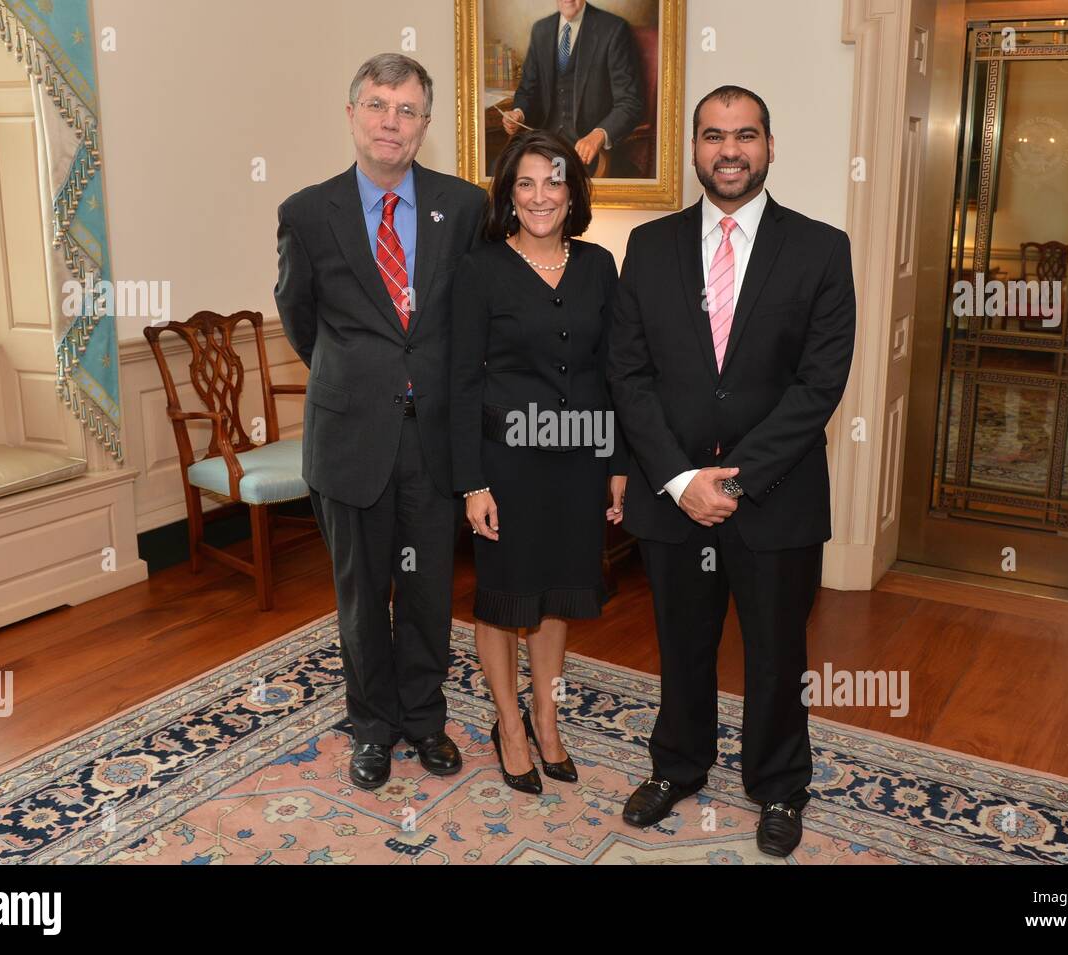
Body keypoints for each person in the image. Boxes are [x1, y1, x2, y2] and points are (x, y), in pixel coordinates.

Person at [606, 85, 856, 856]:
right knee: (681, 642)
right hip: (674, 497)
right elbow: (628, 373)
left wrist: (736, 479)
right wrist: (682, 480)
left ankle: (779, 785)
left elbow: (820, 384)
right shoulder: (649, 247)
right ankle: (677, 764)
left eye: (745, 134)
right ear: (694, 148)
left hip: (775, 498)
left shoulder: (820, 247)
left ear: (770, 147)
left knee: (777, 653)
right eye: (713, 135)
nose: (730, 150)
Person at [273, 53, 486, 791]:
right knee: (362, 596)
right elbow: (302, 321)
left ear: (426, 125)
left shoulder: (463, 208)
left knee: (427, 591)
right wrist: (362, 378)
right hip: (349, 438)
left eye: (407, 110)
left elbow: (468, 322)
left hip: (432, 438)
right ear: (352, 113)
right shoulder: (307, 211)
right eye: (378, 105)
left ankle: (424, 718)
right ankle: (372, 725)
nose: (391, 122)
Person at [450, 129, 627, 793]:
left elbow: (615, 372)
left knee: (555, 595)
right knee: (503, 597)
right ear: (509, 195)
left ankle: (547, 718)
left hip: (580, 462)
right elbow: (462, 380)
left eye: (553, 180)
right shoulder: (481, 269)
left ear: (573, 190)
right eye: (525, 183)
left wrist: (616, 463)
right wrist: (471, 482)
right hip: (506, 464)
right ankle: (509, 724)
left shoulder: (599, 266)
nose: (539, 195)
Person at [500, 0, 644, 177]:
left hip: (586, 153)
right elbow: (528, 89)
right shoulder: (541, 30)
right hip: (543, 145)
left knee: (556, 183)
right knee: (500, 172)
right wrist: (518, 112)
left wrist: (598, 134)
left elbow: (630, 102)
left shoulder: (613, 29)